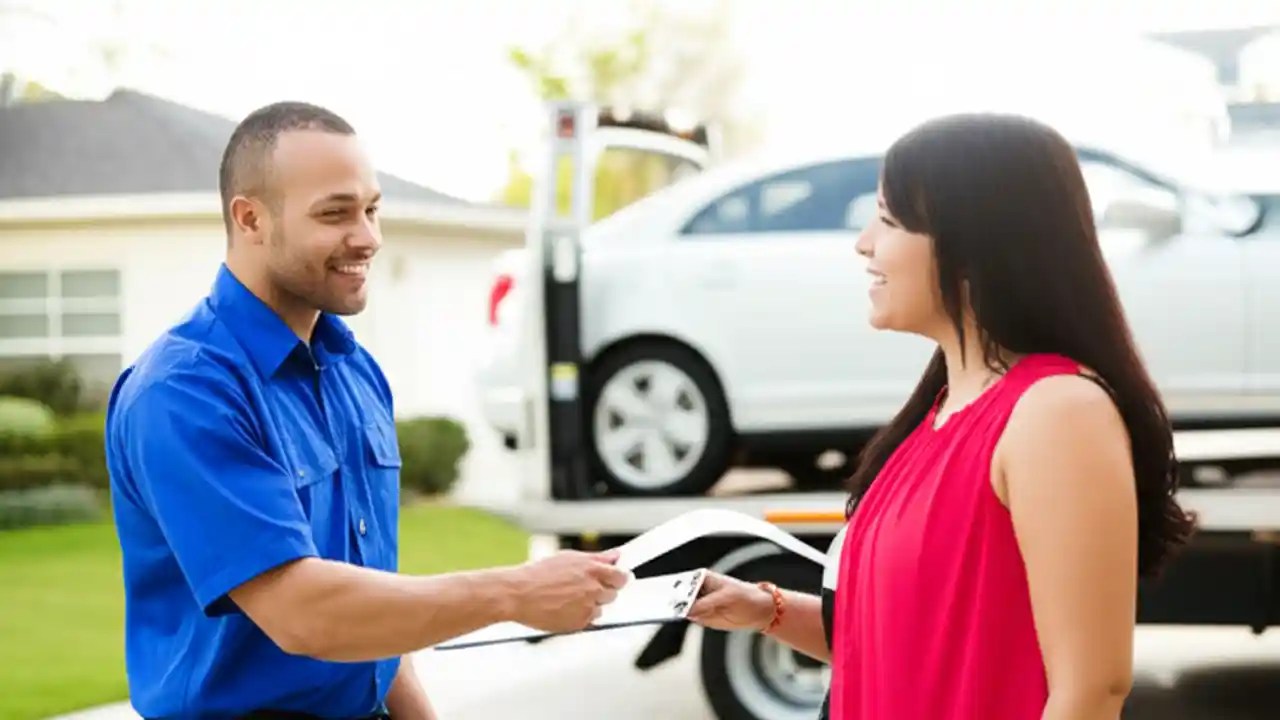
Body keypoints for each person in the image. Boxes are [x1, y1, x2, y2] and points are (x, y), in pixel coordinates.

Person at [104, 101, 629, 720]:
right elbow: (305, 613)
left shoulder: (355, 372)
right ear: (250, 219)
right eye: (336, 214)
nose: (368, 237)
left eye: (372, 209)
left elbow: (371, 599)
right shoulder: (184, 392)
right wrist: (513, 591)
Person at [686, 113, 1196, 719]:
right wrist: (763, 609)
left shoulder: (1057, 413)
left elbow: (1090, 690)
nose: (864, 242)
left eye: (891, 219)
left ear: (974, 246)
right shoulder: (934, 415)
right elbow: (895, 649)